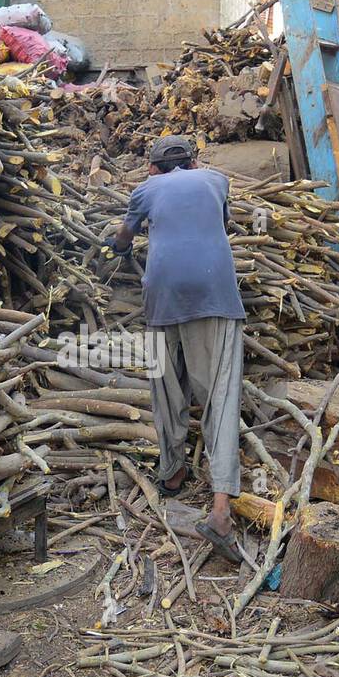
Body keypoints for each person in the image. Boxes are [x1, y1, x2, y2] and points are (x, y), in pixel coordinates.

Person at [111, 136, 246, 563]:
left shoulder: (145, 190)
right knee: (220, 397)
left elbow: (124, 235)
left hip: (162, 296)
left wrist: (119, 247)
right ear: (194, 161)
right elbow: (220, 224)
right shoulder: (216, 180)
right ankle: (221, 510)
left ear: (152, 169)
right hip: (215, 294)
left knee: (166, 389)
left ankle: (173, 474)